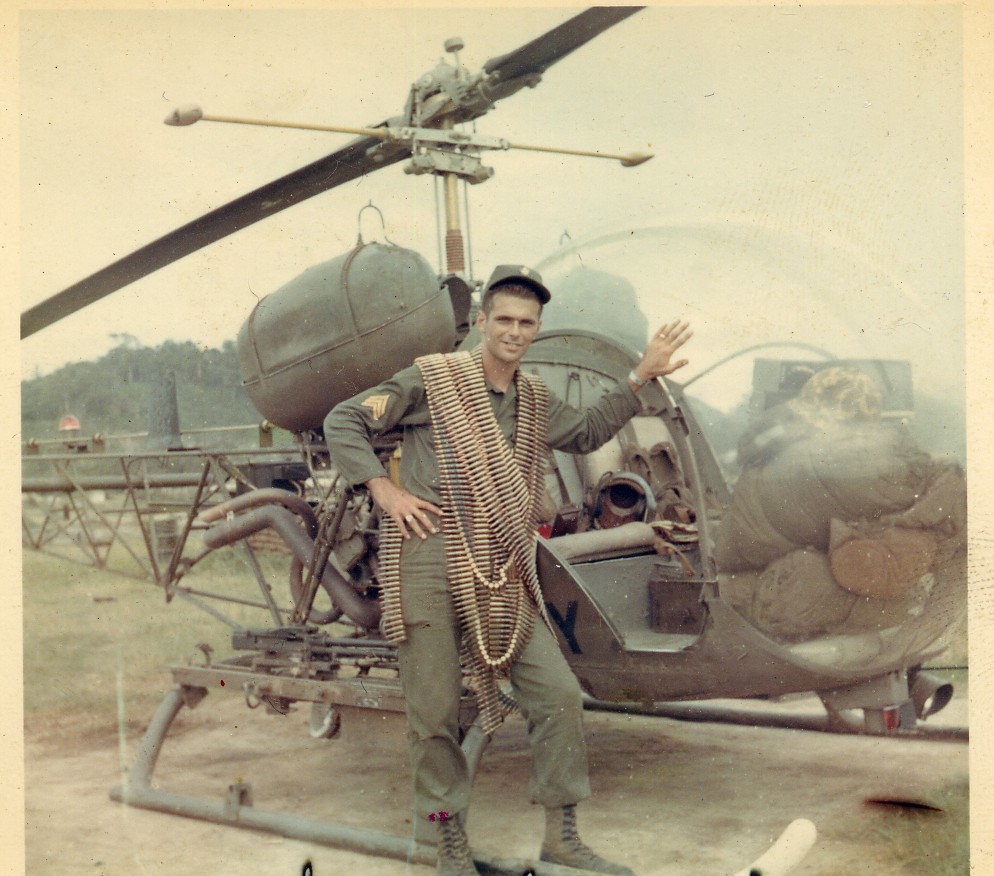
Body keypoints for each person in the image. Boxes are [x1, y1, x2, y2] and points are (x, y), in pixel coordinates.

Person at [325, 265, 692, 876]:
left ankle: (562, 836)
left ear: (537, 328)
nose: (515, 332)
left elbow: (588, 430)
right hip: (429, 561)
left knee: (558, 696)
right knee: (436, 714)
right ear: (481, 323)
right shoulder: (432, 380)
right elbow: (347, 420)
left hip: (498, 567)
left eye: (527, 323)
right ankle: (446, 846)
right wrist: (384, 494)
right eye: (505, 320)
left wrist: (641, 375)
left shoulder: (533, 400)